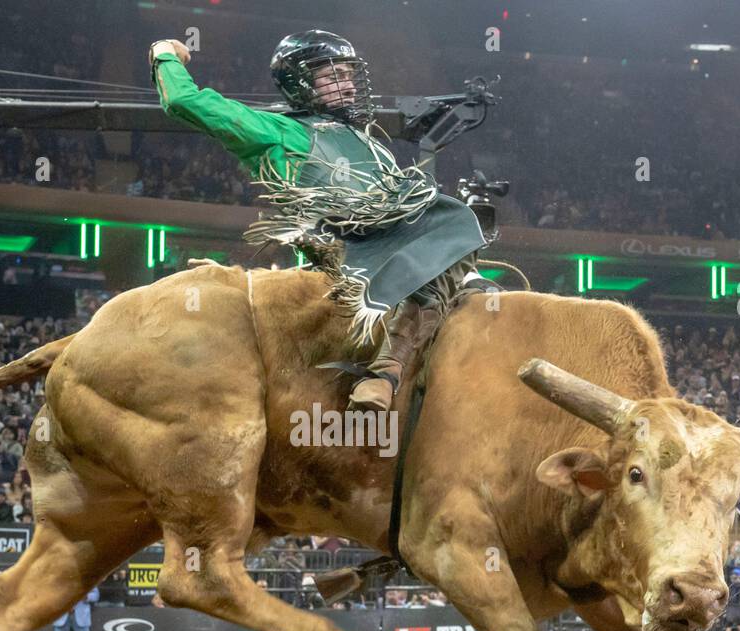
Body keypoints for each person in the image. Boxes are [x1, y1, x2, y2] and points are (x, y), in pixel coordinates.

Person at [149, 30, 495, 414]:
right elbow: (183, 101)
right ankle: (388, 368)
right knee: (456, 219)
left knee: (460, 231)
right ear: (300, 84)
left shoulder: (369, 143)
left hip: (397, 237)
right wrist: (164, 54)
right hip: (349, 244)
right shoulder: (278, 130)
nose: (348, 85)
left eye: (349, 75)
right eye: (333, 76)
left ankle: (448, 305)